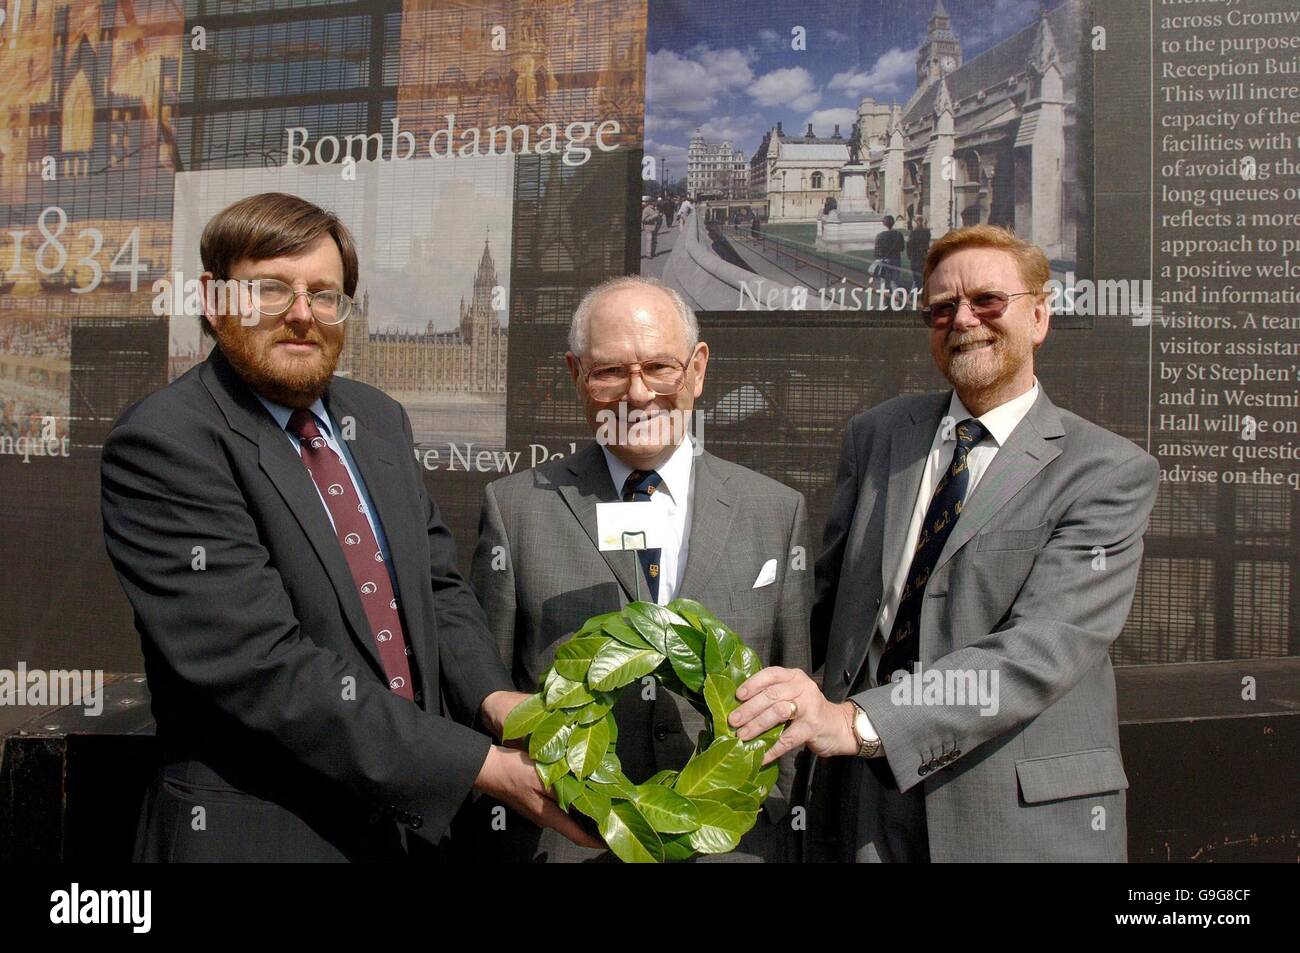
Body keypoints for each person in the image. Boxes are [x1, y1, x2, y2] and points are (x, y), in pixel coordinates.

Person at [100, 192, 598, 861]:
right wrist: (475, 764)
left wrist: (494, 696)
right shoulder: (167, 443)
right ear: (215, 301)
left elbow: (439, 589)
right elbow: (263, 667)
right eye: (271, 289)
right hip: (264, 836)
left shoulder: (378, 419)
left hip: (410, 833)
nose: (302, 313)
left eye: (325, 294)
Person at [729, 224, 1159, 862]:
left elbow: (1042, 649)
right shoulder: (878, 436)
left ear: (1039, 315)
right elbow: (822, 603)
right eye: (941, 308)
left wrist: (859, 722)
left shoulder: (1107, 471)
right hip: (862, 804)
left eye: (987, 301)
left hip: (1013, 811)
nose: (963, 320)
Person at [464, 274, 812, 862]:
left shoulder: (776, 511)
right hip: (570, 843)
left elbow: (794, 688)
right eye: (609, 372)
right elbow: (490, 688)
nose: (639, 392)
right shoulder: (515, 510)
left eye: (659, 367)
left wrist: (768, 815)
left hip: (733, 847)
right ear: (577, 376)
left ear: (697, 370)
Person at [872, 214, 905, 288]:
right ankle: (896, 298)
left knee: (884, 282)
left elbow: (877, 252)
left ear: (883, 224)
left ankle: (885, 298)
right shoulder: (899, 234)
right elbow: (902, 248)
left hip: (884, 260)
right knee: (895, 282)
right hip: (896, 259)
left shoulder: (880, 235)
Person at [907, 213, 931, 289]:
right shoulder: (926, 232)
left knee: (916, 278)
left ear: (916, 222)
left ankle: (914, 295)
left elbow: (909, 245)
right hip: (924, 255)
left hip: (916, 256)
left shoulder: (914, 233)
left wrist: (909, 255)